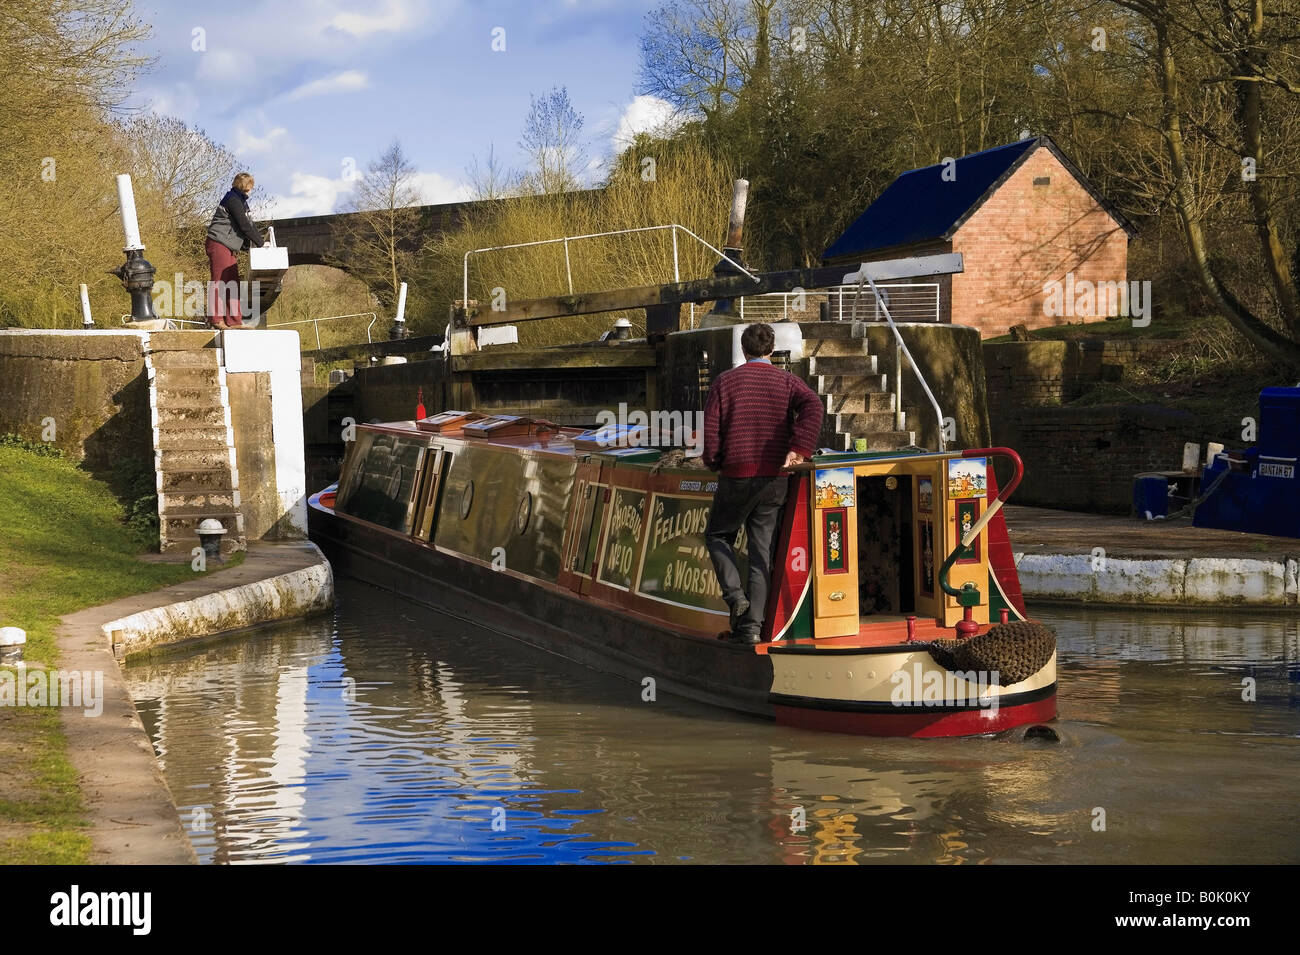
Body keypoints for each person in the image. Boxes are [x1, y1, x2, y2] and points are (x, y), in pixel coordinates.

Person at [703, 322, 824, 644]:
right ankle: (753, 629)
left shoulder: (724, 383)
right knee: (761, 553)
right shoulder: (787, 381)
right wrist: (799, 449)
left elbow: (712, 432)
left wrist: (713, 460)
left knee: (717, 536)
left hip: (738, 475)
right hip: (775, 478)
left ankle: (735, 598)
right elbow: (814, 405)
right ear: (772, 351)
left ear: (743, 350)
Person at [205, 172, 265, 328]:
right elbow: (244, 225)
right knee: (219, 281)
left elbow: (249, 225)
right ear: (242, 188)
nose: (250, 193)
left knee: (232, 283)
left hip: (228, 246)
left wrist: (262, 242)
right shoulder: (233, 200)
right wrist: (260, 244)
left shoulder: (240, 201)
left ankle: (233, 321)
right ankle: (216, 319)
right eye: (248, 189)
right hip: (218, 243)